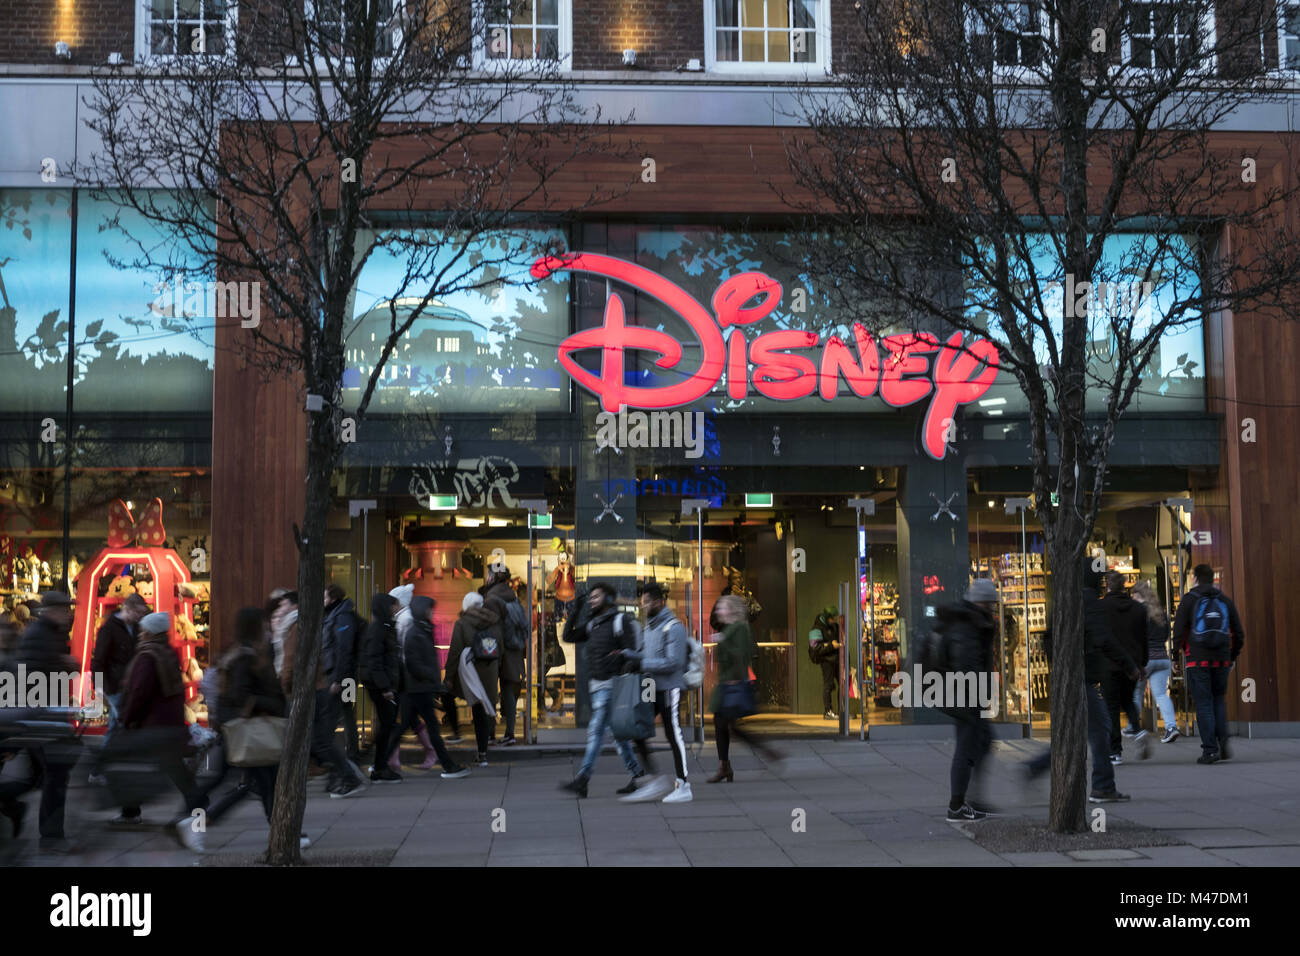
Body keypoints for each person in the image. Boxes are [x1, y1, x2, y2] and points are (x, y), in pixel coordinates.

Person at [113, 612, 208, 852]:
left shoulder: (147, 656)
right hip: (169, 723)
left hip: (152, 725)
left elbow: (139, 692)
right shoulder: (166, 652)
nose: (140, 633)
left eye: (143, 629)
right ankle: (130, 810)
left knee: (171, 773)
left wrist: (127, 718)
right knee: (170, 770)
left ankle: (197, 806)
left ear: (148, 632)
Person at [559, 583, 646, 798]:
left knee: (596, 730)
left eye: (596, 597)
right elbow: (568, 637)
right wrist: (576, 610)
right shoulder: (594, 625)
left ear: (608, 599)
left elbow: (631, 653)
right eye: (591, 597)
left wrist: (620, 662)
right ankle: (638, 775)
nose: (592, 600)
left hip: (611, 685)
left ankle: (583, 778)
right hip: (597, 685)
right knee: (618, 736)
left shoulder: (620, 621)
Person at [8, 592, 81, 847]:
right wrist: (66, 664)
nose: (68, 613)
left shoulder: (53, 633)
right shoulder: (40, 634)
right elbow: (32, 673)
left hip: (46, 711)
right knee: (55, 774)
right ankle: (51, 837)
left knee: (38, 774)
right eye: (64, 608)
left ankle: (8, 805)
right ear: (51, 610)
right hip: (41, 713)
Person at [615, 581, 692, 803]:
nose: (644, 606)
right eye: (642, 603)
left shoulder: (673, 627)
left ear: (660, 602)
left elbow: (673, 662)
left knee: (673, 734)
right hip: (651, 687)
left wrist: (642, 663)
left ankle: (683, 784)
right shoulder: (650, 626)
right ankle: (655, 780)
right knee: (638, 729)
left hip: (669, 688)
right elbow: (648, 655)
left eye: (648, 602)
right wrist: (630, 655)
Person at [938, 579, 999, 821]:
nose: (993, 608)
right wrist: (979, 696)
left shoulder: (971, 620)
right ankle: (956, 805)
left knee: (983, 741)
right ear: (981, 602)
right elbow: (967, 665)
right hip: (965, 698)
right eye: (990, 604)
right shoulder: (967, 625)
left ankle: (973, 798)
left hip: (968, 696)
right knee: (966, 747)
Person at [1172, 564, 1245, 764]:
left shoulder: (1189, 600)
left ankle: (1210, 750)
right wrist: (1232, 655)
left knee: (1204, 703)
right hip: (1221, 659)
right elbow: (1239, 633)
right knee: (1218, 700)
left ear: (1195, 578)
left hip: (1197, 658)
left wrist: (1174, 657)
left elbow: (1178, 631)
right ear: (1212, 579)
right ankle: (1223, 741)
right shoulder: (1224, 600)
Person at [708, 594, 783, 783]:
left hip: (732, 683)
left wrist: (723, 640)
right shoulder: (729, 628)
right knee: (724, 725)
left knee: (726, 725)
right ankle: (725, 765)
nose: (718, 611)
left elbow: (741, 654)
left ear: (732, 610)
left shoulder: (740, 628)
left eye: (722, 607)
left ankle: (732, 763)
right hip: (726, 683)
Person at [393, 595, 468, 778]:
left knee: (405, 727)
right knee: (429, 728)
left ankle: (380, 762)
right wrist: (432, 680)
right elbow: (415, 663)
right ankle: (448, 765)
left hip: (419, 688)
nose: (432, 611)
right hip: (419, 688)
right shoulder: (416, 632)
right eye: (429, 608)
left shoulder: (422, 629)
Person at [88, 592, 149, 784]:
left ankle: (105, 769)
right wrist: (100, 688)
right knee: (117, 726)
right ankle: (101, 770)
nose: (140, 617)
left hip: (130, 685)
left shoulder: (135, 627)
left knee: (120, 726)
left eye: (142, 614)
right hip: (115, 686)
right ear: (127, 609)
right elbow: (98, 661)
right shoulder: (109, 629)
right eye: (138, 613)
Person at [446, 591, 500, 767]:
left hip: (472, 670)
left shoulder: (462, 623)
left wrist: (449, 676)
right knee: (487, 706)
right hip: (490, 669)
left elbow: (455, 651)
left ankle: (481, 754)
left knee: (477, 711)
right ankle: (485, 749)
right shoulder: (494, 621)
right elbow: (501, 646)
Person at [1101, 571, 1151, 762]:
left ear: (1108, 586)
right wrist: (1142, 663)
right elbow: (1143, 639)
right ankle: (1137, 732)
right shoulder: (1138, 609)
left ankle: (1115, 751)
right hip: (1132, 664)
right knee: (1128, 700)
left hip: (1109, 664)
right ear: (1124, 586)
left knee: (1111, 707)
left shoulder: (1102, 607)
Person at [321, 584, 365, 781]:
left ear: (332, 597)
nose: (322, 601)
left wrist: (338, 679)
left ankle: (347, 757)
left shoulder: (341, 617)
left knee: (341, 714)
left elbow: (344, 650)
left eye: (324, 597)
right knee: (346, 713)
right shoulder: (338, 614)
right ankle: (350, 755)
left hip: (342, 676)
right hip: (344, 674)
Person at [359, 592, 403, 782]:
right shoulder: (378, 629)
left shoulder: (384, 627)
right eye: (394, 605)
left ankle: (378, 764)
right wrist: (385, 687)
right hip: (380, 685)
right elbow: (375, 660)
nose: (397, 608)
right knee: (387, 725)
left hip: (382, 683)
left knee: (388, 725)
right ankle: (377, 765)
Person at [1133, 580, 1180, 743]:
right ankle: (1171, 727)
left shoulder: (1139, 612)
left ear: (1137, 595)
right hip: (1162, 659)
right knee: (1160, 694)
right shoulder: (1162, 613)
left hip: (1145, 660)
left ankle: (1133, 727)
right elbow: (1167, 635)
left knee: (1137, 693)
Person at [482, 565, 524, 746]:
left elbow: (490, 628)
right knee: (509, 692)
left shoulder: (491, 599)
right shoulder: (514, 598)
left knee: (491, 691)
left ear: (492, 577)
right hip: (513, 651)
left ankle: (490, 733)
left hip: (495, 650)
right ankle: (510, 733)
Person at [809, 606, 841, 720]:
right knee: (828, 685)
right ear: (828, 618)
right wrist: (832, 645)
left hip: (837, 659)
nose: (835, 620)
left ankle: (842, 711)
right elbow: (815, 648)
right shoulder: (816, 629)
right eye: (834, 618)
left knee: (842, 684)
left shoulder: (834, 626)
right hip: (826, 661)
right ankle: (828, 711)